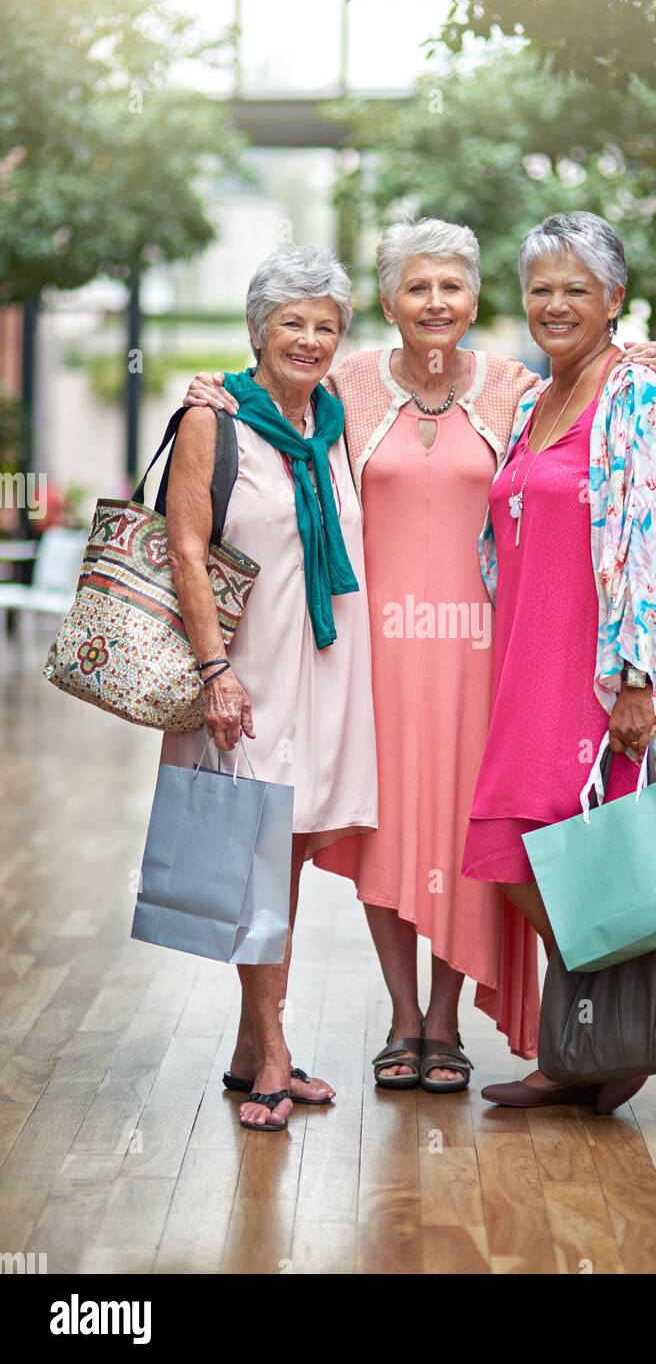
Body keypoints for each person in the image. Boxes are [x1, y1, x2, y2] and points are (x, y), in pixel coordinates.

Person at [182, 217, 656, 1092]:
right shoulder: (352, 384)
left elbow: (594, 385)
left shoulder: (520, 388)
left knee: (470, 830)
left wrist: (638, 356)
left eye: (451, 286)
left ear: (477, 300)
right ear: (387, 302)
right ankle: (402, 1021)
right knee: (388, 829)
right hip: (377, 654)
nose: (435, 302)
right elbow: (273, 388)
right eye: (416, 286)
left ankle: (447, 1024)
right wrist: (213, 389)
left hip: (487, 653)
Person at [461, 211, 656, 1114]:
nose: (554, 305)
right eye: (541, 289)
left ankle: (593, 1045)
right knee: (511, 850)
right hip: (524, 663)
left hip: (594, 674)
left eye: (576, 290)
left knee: (576, 855)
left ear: (613, 301)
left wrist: (638, 677)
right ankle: (600, 1033)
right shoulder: (528, 403)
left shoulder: (636, 401)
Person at [162, 244, 377, 1131]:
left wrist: (629, 355)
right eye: (292, 322)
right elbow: (184, 548)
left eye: (326, 325)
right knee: (251, 850)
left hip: (319, 669)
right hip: (242, 671)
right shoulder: (216, 416)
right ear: (257, 329)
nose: (310, 339)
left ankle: (255, 1046)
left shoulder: (337, 419)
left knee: (280, 855)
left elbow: (454, 380)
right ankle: (274, 1054)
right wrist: (215, 671)